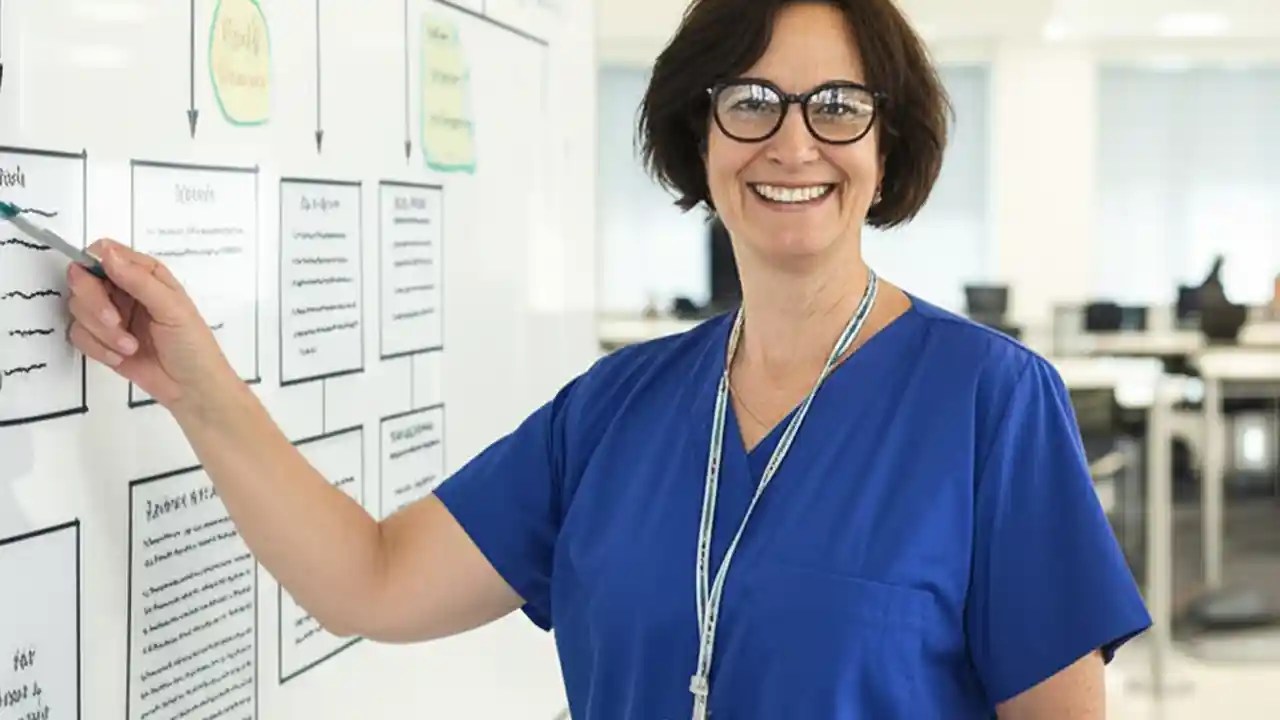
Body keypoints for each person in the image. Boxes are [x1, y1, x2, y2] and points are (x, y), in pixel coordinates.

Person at [65, 0, 1150, 717]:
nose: (790, 141)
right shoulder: (616, 408)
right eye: (748, 101)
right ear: (700, 136)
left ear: (886, 146)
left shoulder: (987, 403)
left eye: (836, 106)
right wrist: (193, 384)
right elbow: (371, 580)